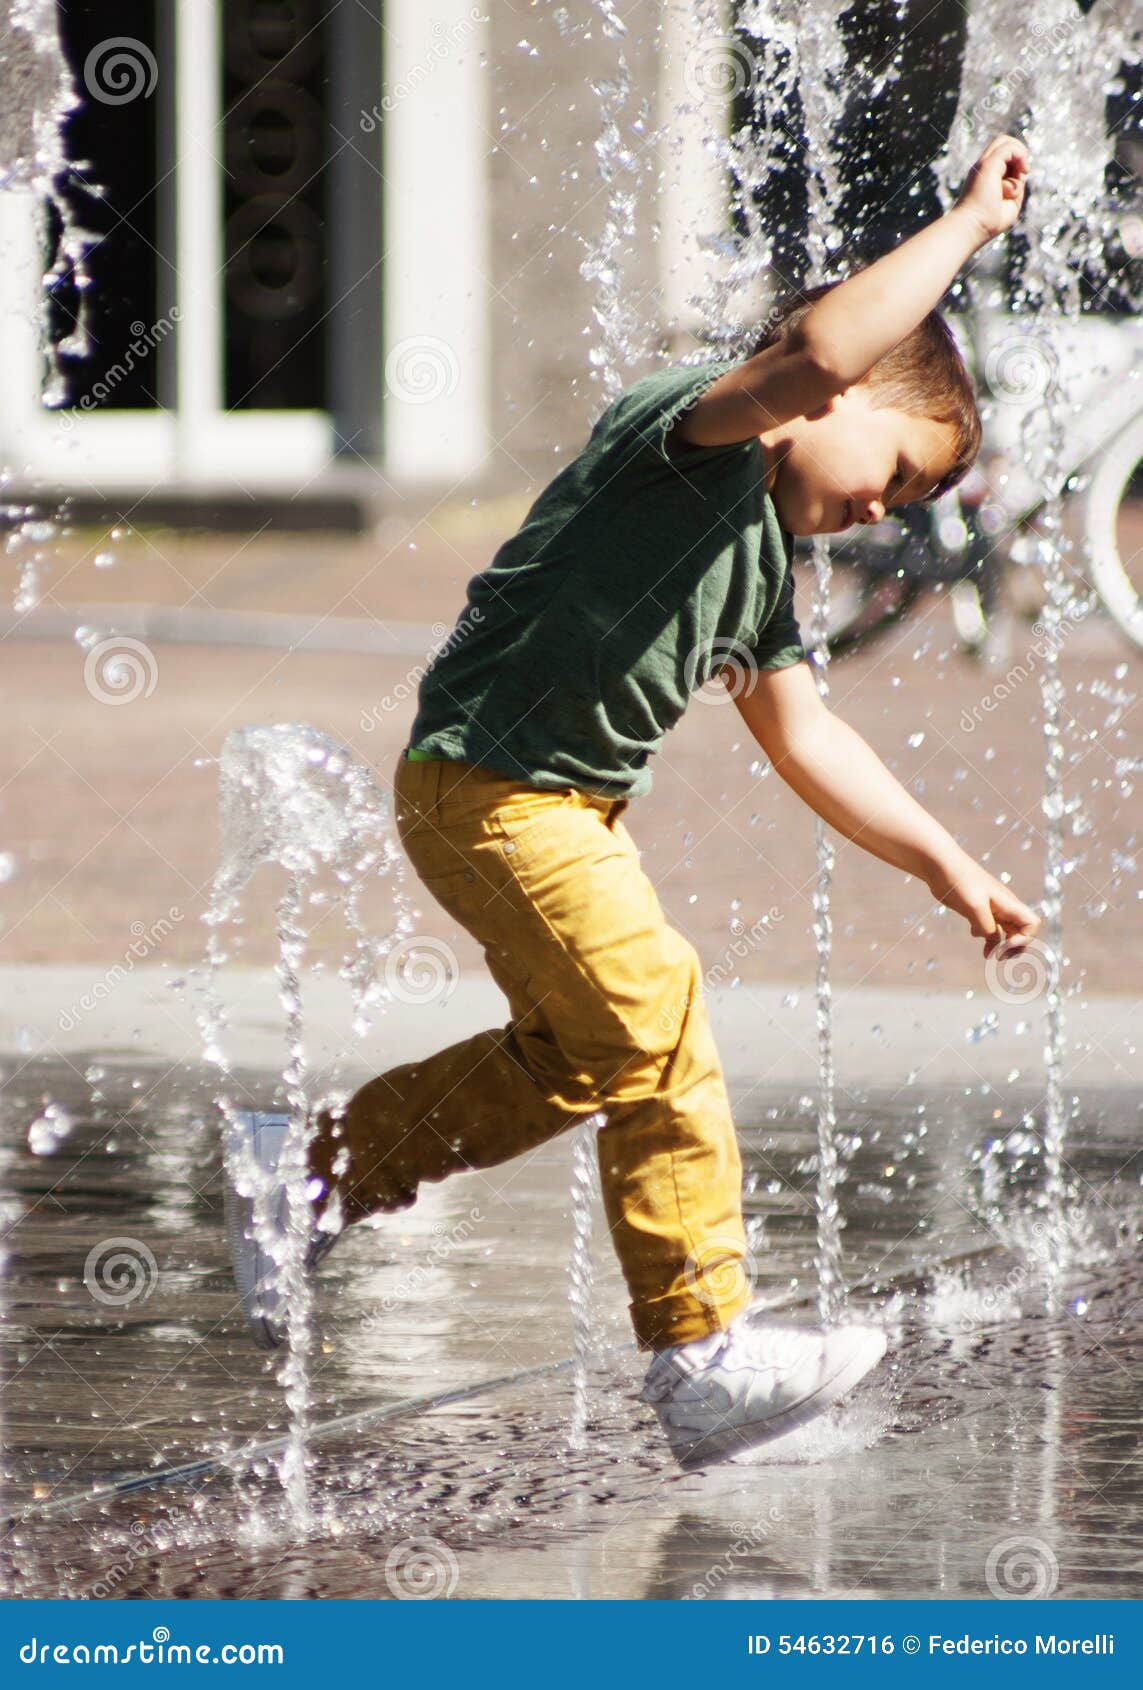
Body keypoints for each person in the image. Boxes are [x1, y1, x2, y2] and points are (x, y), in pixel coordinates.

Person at [225, 135, 1040, 1471]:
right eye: (891, 471)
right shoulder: (695, 432)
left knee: (591, 1051)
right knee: (658, 1000)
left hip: (551, 809)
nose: (877, 510)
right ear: (836, 392)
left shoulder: (762, 554)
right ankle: (702, 1350)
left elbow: (805, 732)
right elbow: (825, 352)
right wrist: (963, 227)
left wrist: (946, 861)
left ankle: (311, 1169)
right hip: (491, 786)